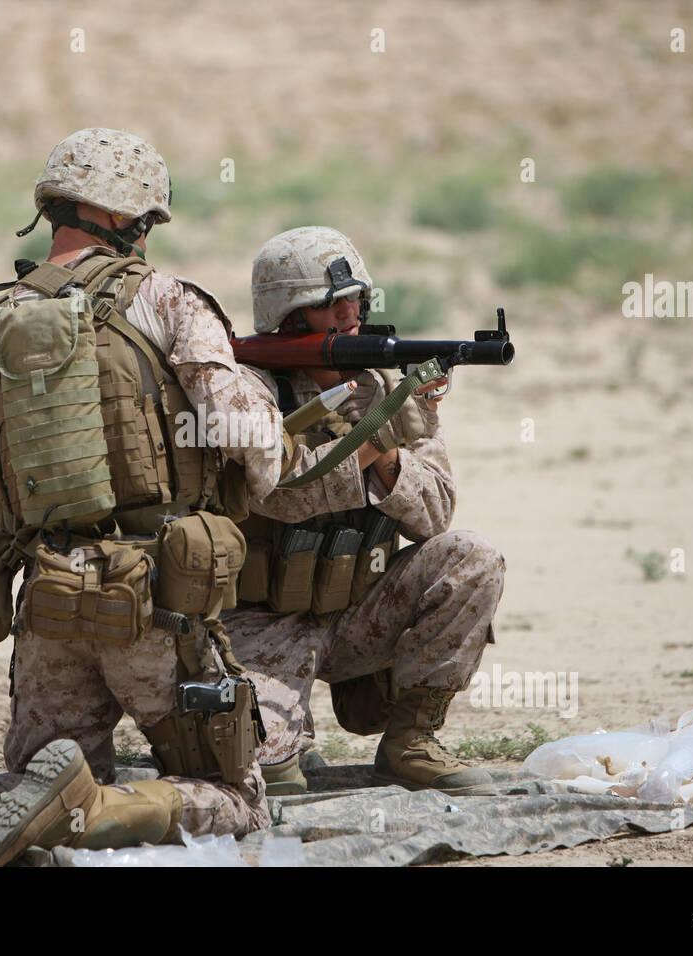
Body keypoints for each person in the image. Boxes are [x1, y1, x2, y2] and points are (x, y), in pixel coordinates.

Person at [0, 128, 296, 867]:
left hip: (48, 596)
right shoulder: (170, 303)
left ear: (56, 209)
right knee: (238, 803)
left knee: (29, 778)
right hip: (158, 601)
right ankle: (87, 806)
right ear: (131, 217)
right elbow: (254, 444)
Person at [225, 226, 507, 797]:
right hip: (260, 624)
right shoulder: (249, 389)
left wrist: (385, 446)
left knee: (472, 558)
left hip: (357, 610)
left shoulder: (383, 388)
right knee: (272, 781)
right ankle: (282, 734)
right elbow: (272, 492)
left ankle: (411, 743)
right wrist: (365, 449)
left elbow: (434, 513)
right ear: (289, 313)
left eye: (355, 297)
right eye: (330, 303)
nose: (349, 311)